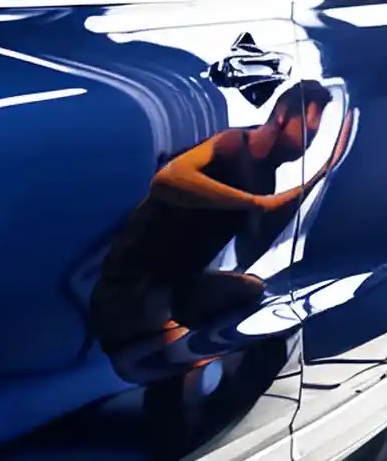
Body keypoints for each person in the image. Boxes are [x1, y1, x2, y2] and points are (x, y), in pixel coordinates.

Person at [89, 79, 354, 380]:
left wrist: (319, 175)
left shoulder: (265, 178)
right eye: (308, 130)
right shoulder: (232, 144)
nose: (309, 142)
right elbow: (167, 180)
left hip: (179, 284)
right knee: (176, 370)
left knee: (251, 290)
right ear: (282, 116)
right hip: (134, 285)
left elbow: (254, 240)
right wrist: (255, 203)